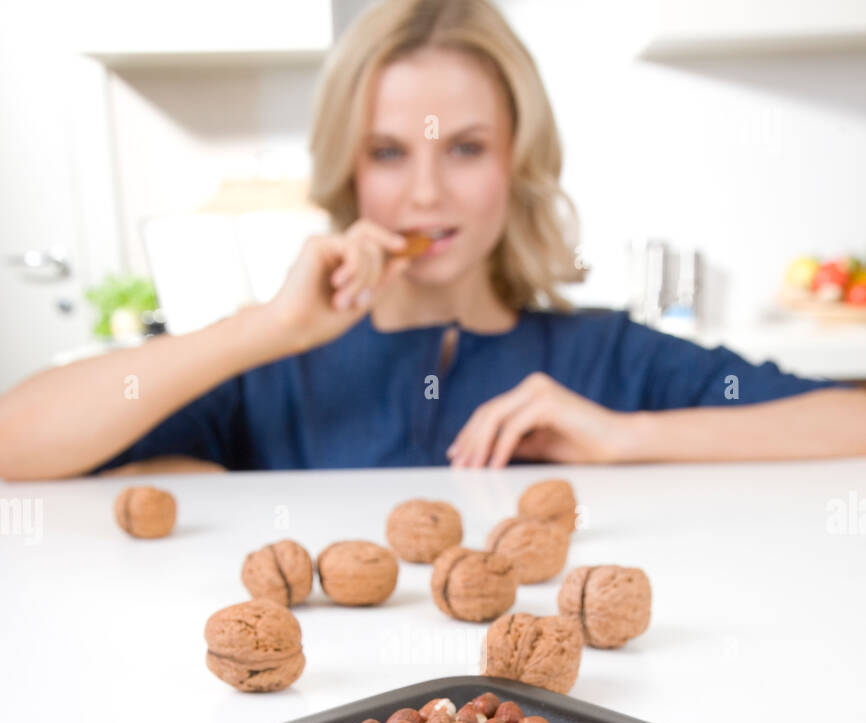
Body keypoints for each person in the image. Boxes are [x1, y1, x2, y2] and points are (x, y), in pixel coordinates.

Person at [1, 0, 863, 481]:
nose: (423, 192)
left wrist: (623, 436)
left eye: (465, 148)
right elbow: (15, 439)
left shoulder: (604, 359)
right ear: (349, 169)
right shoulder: (274, 369)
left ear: (518, 162)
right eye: (388, 152)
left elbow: (849, 420)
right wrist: (266, 327)